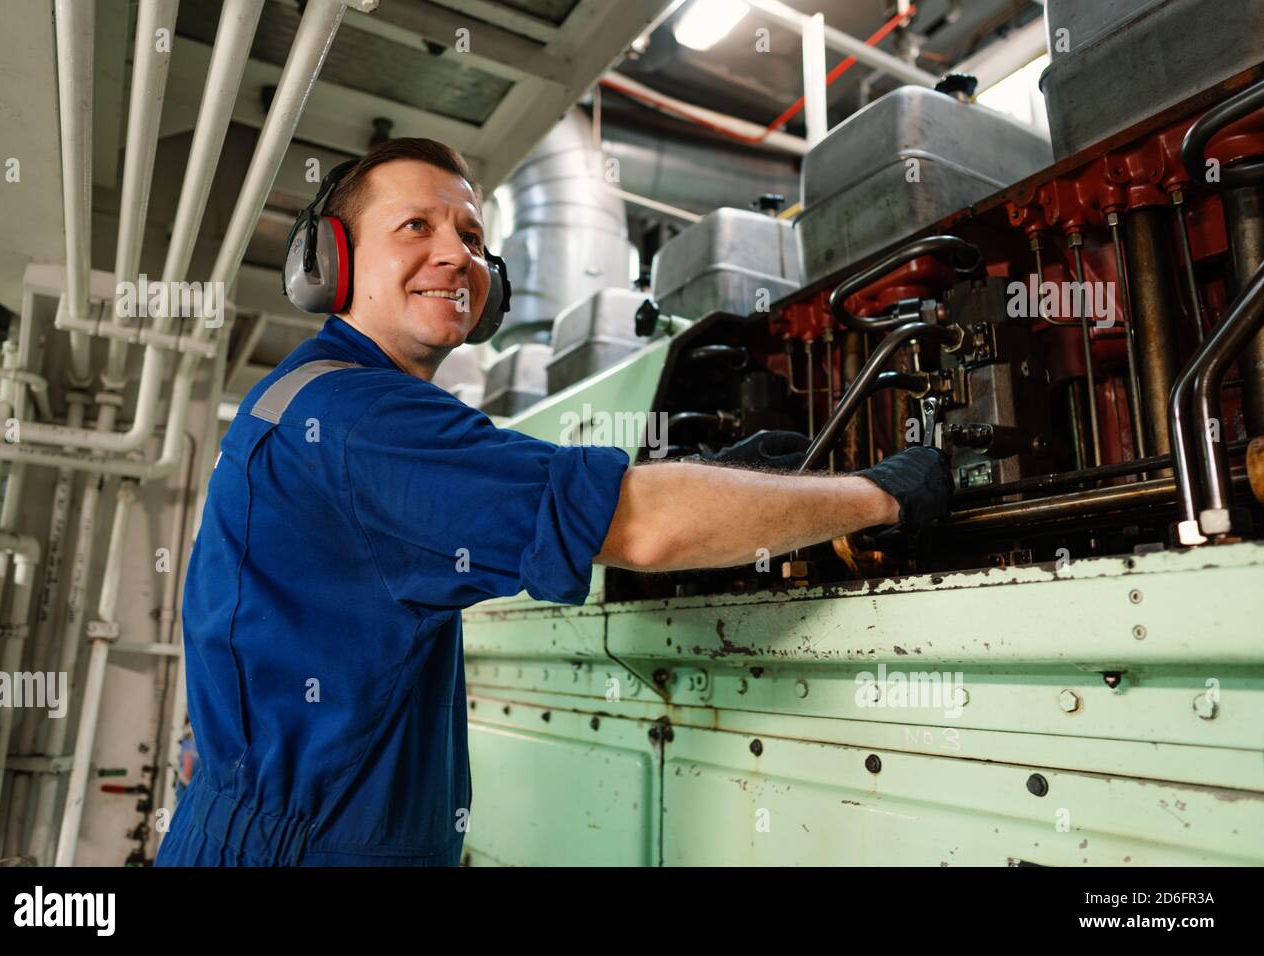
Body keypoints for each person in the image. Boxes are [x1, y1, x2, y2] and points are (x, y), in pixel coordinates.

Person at [155, 138, 951, 867]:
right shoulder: (366, 419)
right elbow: (641, 528)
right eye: (414, 228)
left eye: (470, 237)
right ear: (334, 262)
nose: (453, 255)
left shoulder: (311, 395)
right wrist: (880, 495)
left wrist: (710, 477)